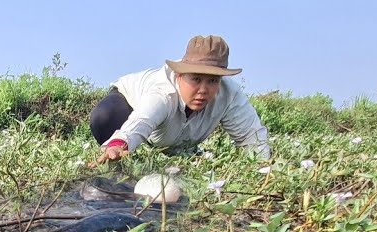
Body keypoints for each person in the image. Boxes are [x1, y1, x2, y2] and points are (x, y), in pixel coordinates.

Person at [91, 35, 271, 166]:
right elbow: (142, 121)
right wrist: (118, 144)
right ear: (179, 75)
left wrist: (262, 167)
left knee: (171, 146)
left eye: (212, 81)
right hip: (128, 102)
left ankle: (170, 152)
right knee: (106, 117)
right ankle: (117, 159)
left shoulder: (229, 93)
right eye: (196, 79)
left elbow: (251, 135)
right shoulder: (162, 92)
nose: (203, 90)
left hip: (170, 134)